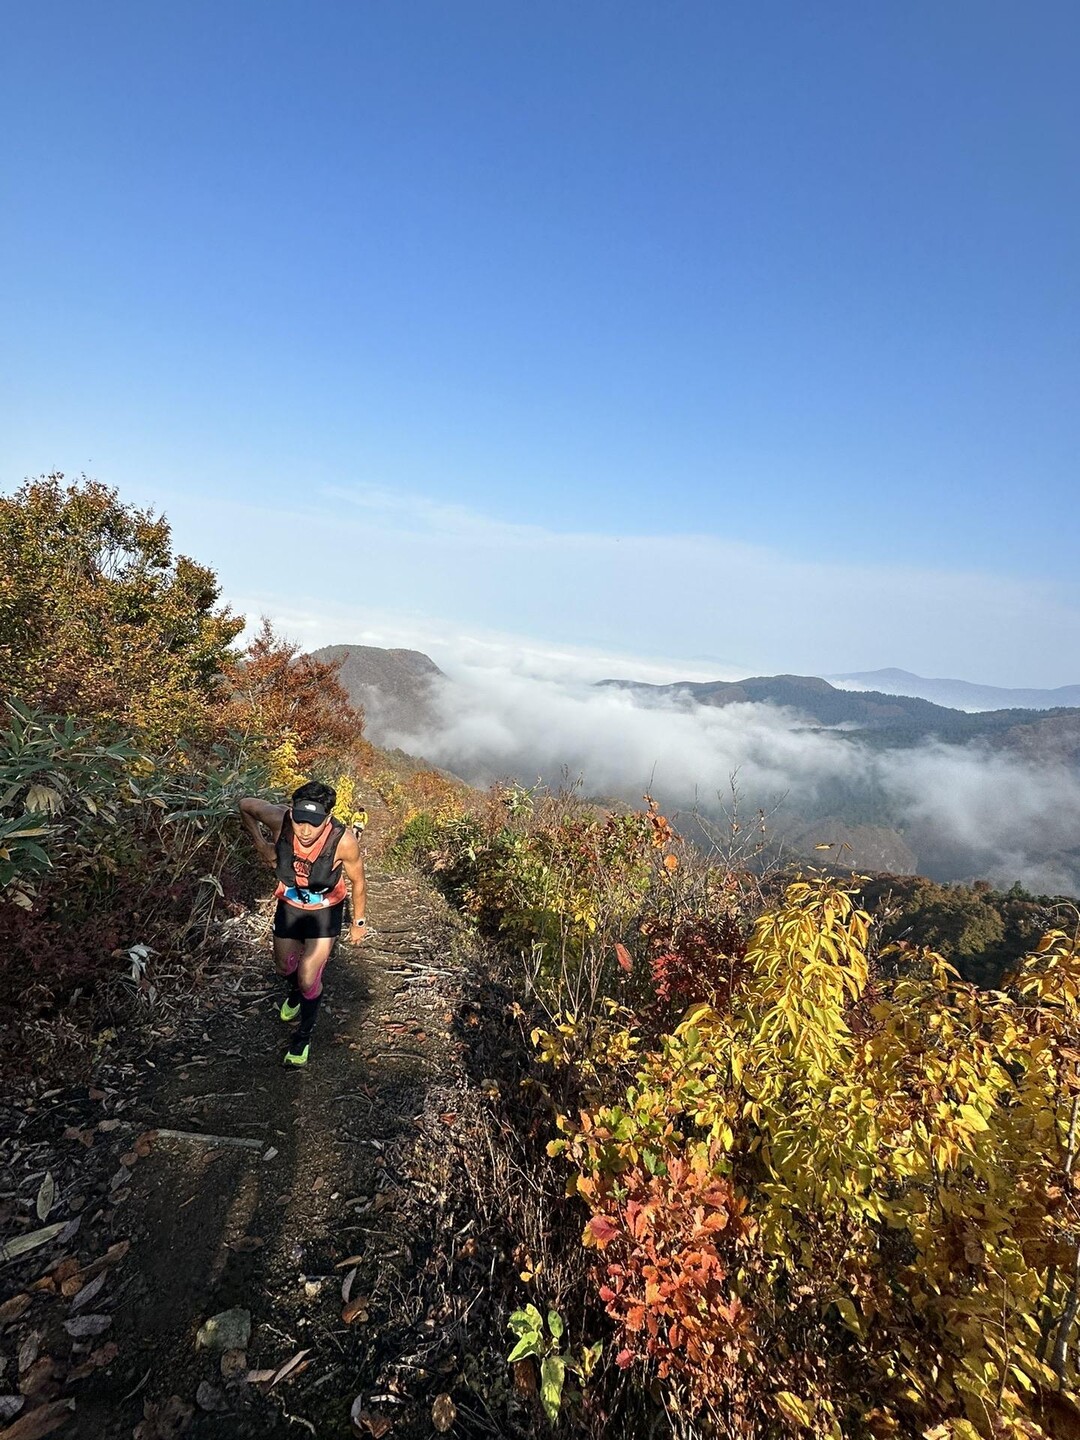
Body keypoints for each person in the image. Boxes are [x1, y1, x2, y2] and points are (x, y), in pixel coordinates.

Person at [238, 780, 367, 1067]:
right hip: (290, 905)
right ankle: (295, 993)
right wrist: (261, 844)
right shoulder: (280, 820)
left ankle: (303, 1036)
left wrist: (358, 921)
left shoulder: (343, 841)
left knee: (309, 974)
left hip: (326, 910)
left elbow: (358, 882)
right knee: (285, 967)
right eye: (300, 821)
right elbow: (245, 805)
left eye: (314, 823)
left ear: (328, 818)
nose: (305, 830)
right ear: (292, 812)